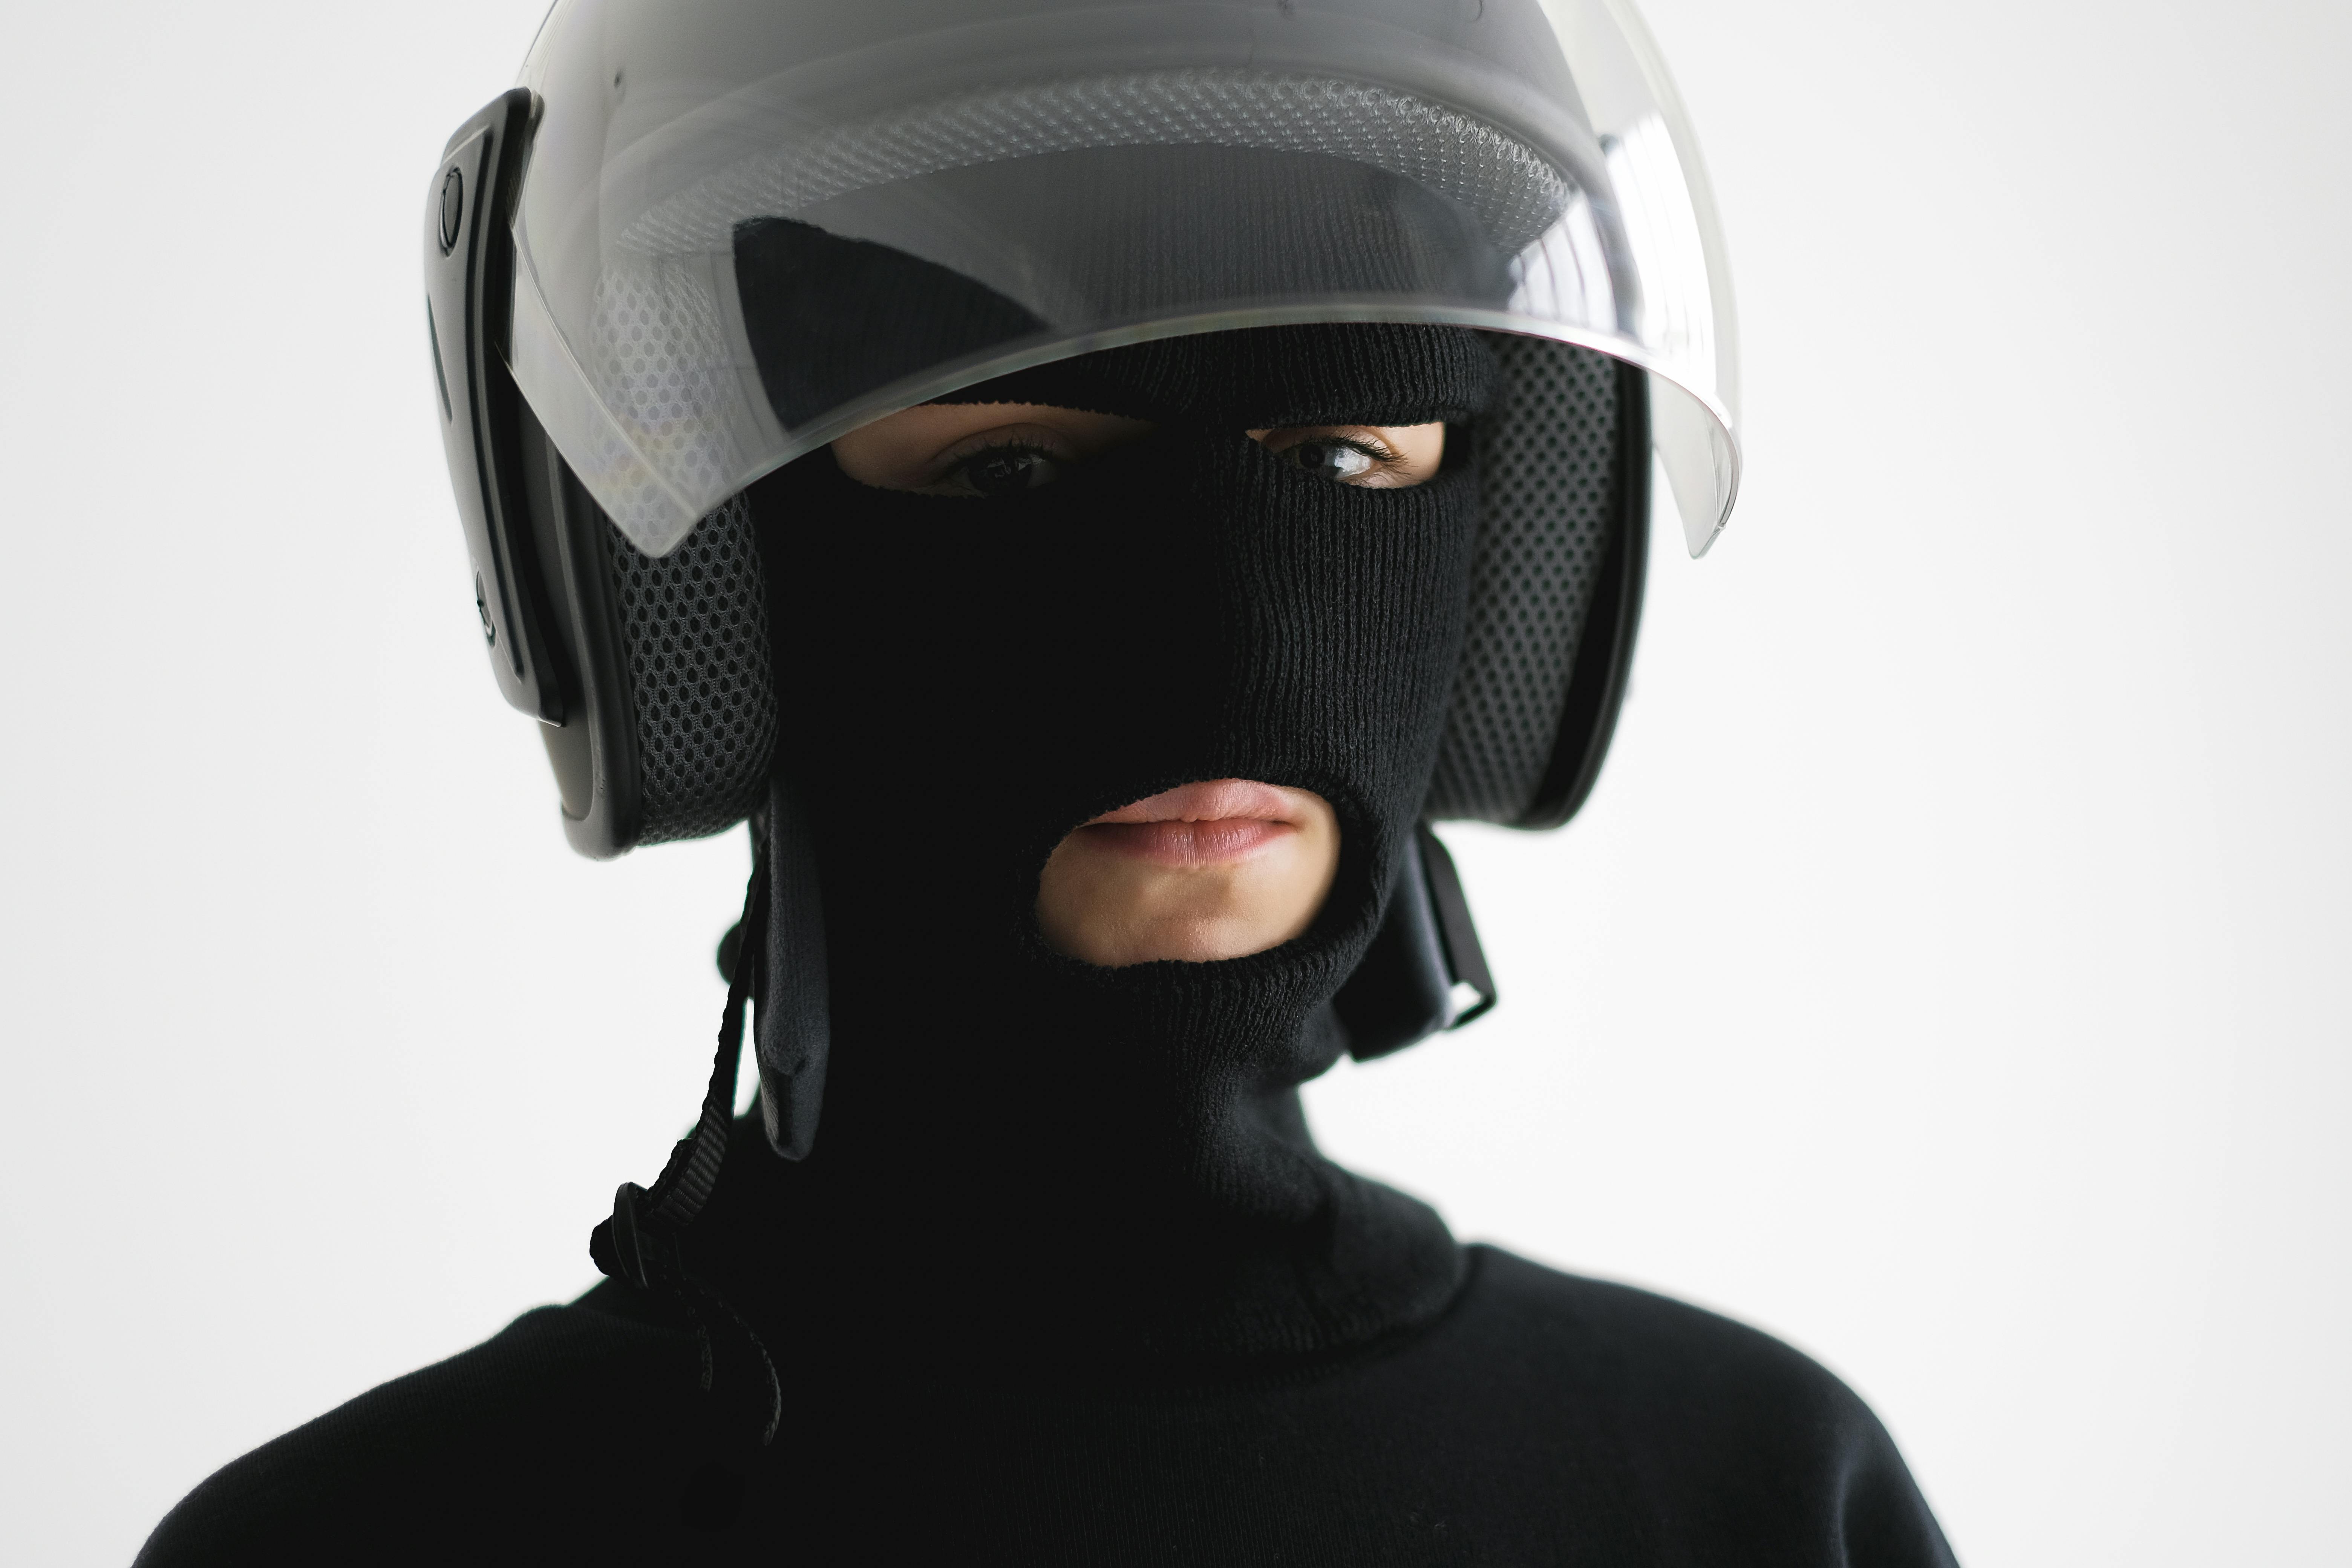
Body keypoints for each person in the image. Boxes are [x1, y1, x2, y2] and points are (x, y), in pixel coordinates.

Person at [139, 1, 1957, 1561]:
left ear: (1509, 562)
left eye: (1340, 452)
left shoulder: (1760, 1504)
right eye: (1007, 468)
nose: (1221, 653)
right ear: (689, 589)